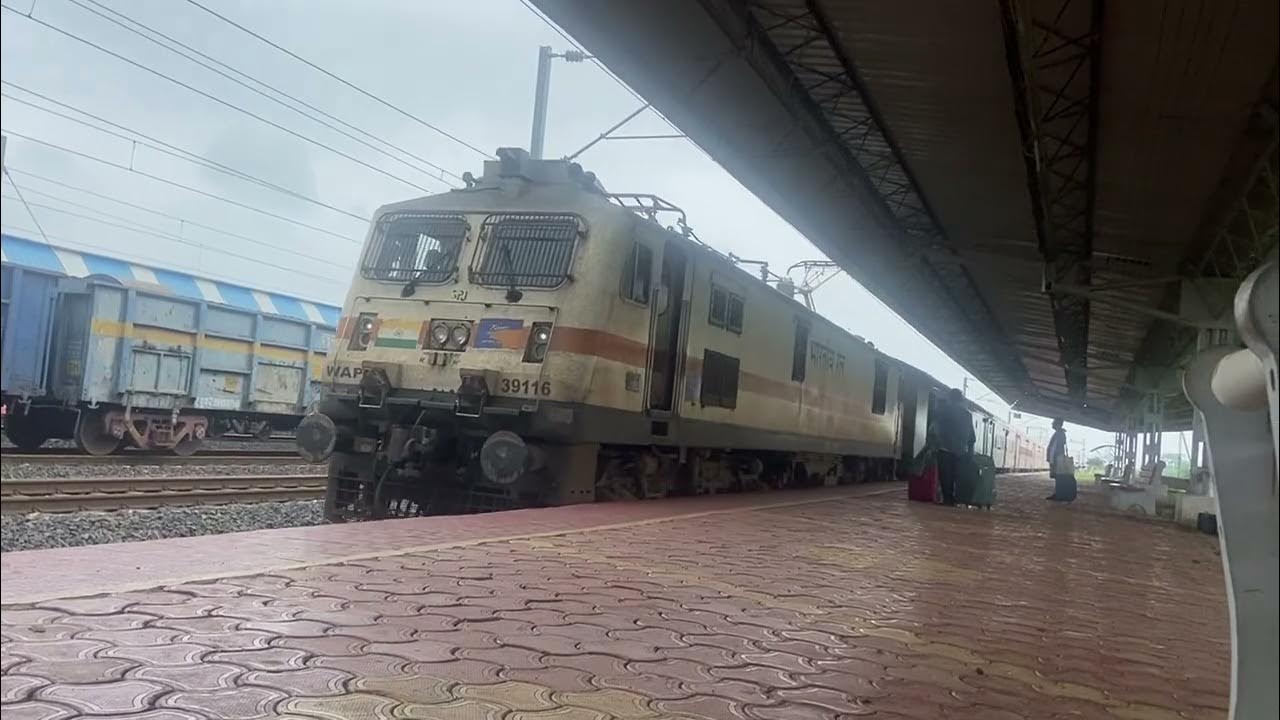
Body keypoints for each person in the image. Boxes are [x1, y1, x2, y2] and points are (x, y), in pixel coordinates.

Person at [931, 388, 975, 506]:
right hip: (961, 451)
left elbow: (936, 427)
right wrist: (970, 453)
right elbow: (972, 436)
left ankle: (948, 499)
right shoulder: (967, 415)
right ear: (961, 400)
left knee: (946, 476)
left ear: (950, 398)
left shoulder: (944, 410)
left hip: (945, 449)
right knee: (957, 476)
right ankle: (955, 499)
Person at [1046, 417, 1076, 501]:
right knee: (1058, 477)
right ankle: (1058, 494)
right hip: (1056, 458)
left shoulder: (1060, 434)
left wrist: (1055, 458)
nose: (1052, 424)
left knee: (1059, 477)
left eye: (1053, 423)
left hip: (1057, 459)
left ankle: (1060, 495)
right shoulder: (1059, 433)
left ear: (1058, 424)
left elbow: (1057, 447)